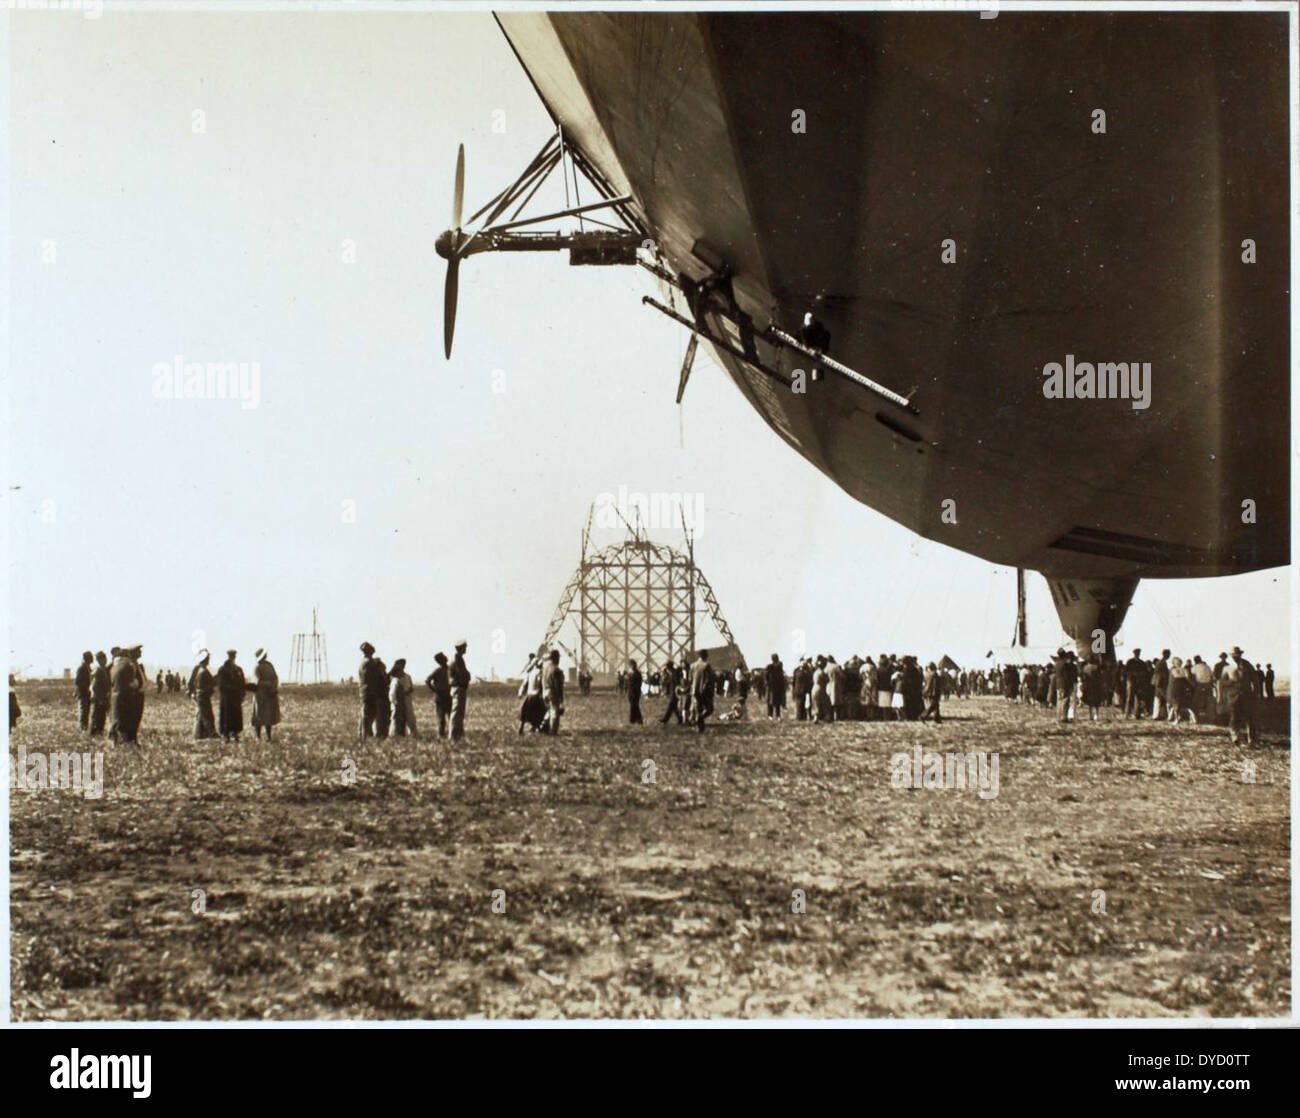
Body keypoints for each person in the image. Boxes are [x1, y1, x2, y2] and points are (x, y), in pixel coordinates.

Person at [1219, 646, 1257, 746]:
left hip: (1246, 695)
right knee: (1234, 717)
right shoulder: (1227, 667)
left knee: (1249, 717)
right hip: (1232, 696)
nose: (1235, 656)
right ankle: (1235, 738)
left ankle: (1251, 739)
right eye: (1233, 655)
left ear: (1240, 654)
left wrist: (1256, 692)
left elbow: (1255, 679)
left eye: (1237, 654)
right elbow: (1222, 682)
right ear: (1230, 656)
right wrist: (1230, 682)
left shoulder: (1247, 665)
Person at [215, 649, 246, 743]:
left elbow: (242, 682)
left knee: (236, 716)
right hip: (227, 697)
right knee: (226, 716)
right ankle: (226, 735)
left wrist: (242, 693)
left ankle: (235, 733)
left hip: (236, 697)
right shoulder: (223, 669)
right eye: (231, 656)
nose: (232, 658)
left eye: (233, 656)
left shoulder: (238, 669)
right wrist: (233, 688)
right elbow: (221, 685)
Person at [108, 646, 137, 744]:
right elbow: (132, 683)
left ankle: (113, 741)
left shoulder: (114, 667)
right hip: (126, 696)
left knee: (116, 718)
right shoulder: (128, 666)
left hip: (115, 696)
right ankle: (123, 741)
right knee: (124, 719)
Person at [251, 648, 281, 740]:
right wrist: (270, 685)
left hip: (269, 694)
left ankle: (268, 736)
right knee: (259, 715)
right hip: (261, 694)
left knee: (268, 716)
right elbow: (257, 681)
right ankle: (258, 736)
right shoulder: (257, 667)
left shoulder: (269, 665)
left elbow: (275, 677)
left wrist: (273, 687)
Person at [358, 642, 386, 739]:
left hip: (366, 692)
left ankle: (363, 735)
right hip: (370, 693)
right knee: (369, 716)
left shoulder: (364, 662)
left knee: (366, 715)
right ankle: (366, 736)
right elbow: (374, 678)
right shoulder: (369, 662)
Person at [188, 649, 217, 740]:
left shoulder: (198, 669)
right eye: (208, 658)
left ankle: (199, 735)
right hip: (202, 696)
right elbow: (211, 681)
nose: (209, 659)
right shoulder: (202, 670)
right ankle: (210, 733)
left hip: (200, 695)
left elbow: (190, 682)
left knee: (200, 715)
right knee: (206, 715)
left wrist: (192, 693)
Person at [425, 652, 452, 739]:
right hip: (441, 696)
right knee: (442, 718)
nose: (446, 658)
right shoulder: (438, 671)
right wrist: (435, 690)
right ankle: (441, 735)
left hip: (448, 695)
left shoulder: (449, 669)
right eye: (444, 657)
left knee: (450, 716)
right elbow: (427, 680)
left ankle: (450, 734)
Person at [518, 651, 546, 734]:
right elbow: (541, 684)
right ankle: (535, 727)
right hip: (537, 696)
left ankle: (522, 727)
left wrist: (520, 692)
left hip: (529, 695)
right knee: (539, 712)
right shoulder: (540, 673)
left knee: (525, 712)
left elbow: (524, 684)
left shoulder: (530, 673)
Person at [449, 640, 470, 741]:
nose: (466, 649)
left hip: (459, 688)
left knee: (459, 713)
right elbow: (462, 674)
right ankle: (453, 735)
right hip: (459, 688)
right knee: (457, 713)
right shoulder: (458, 659)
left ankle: (458, 735)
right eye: (464, 647)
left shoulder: (458, 658)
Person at [389, 658, 416, 737]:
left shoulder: (407, 676)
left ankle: (412, 733)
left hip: (406, 699)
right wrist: (395, 701)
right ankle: (396, 734)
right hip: (398, 701)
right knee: (396, 717)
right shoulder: (395, 679)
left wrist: (406, 692)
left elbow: (411, 688)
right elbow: (392, 694)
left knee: (410, 716)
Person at [690, 650, 715, 733]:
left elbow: (690, 679)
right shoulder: (706, 665)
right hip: (704, 691)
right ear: (705, 656)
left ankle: (699, 728)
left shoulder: (692, 665)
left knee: (698, 709)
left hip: (694, 690)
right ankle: (700, 719)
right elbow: (709, 679)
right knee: (709, 709)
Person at [542, 649, 565, 735]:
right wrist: (561, 699)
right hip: (552, 692)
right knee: (555, 712)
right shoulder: (556, 670)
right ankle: (553, 731)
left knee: (549, 710)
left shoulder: (545, 668)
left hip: (545, 691)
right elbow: (558, 686)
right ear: (557, 658)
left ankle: (543, 727)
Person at [89, 651, 111, 737]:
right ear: (98, 660)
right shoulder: (97, 671)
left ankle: (98, 733)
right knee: (97, 718)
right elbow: (95, 687)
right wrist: (100, 698)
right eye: (102, 659)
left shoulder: (103, 670)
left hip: (103, 698)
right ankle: (94, 734)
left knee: (101, 718)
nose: (104, 660)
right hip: (98, 699)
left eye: (104, 658)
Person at [659, 658, 683, 724]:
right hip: (672, 691)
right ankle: (680, 718)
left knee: (671, 705)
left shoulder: (673, 673)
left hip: (675, 691)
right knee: (674, 707)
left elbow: (674, 681)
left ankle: (665, 719)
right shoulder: (672, 672)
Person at [1080, 654, 1103, 721]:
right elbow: (1100, 677)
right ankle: (1096, 715)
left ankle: (1090, 715)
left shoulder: (1085, 668)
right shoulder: (1096, 667)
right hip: (1095, 686)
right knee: (1096, 701)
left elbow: (1083, 677)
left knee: (1089, 702)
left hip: (1088, 686)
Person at [75, 651, 93, 732]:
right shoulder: (81, 668)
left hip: (87, 694)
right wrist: (86, 688)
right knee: (83, 711)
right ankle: (82, 728)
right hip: (83, 694)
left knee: (86, 711)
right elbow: (78, 682)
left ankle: (84, 727)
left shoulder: (88, 668)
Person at [764, 654, 786, 720]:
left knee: (774, 702)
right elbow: (766, 676)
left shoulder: (775, 666)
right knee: (775, 702)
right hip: (774, 687)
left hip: (775, 687)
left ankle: (773, 715)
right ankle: (774, 715)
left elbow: (766, 676)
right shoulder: (772, 667)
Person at [627, 659, 643, 724]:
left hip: (635, 692)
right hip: (631, 692)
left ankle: (634, 719)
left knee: (634, 706)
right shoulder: (632, 673)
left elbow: (638, 684)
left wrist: (634, 691)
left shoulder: (637, 673)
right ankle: (637, 719)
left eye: (632, 665)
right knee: (634, 706)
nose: (631, 667)